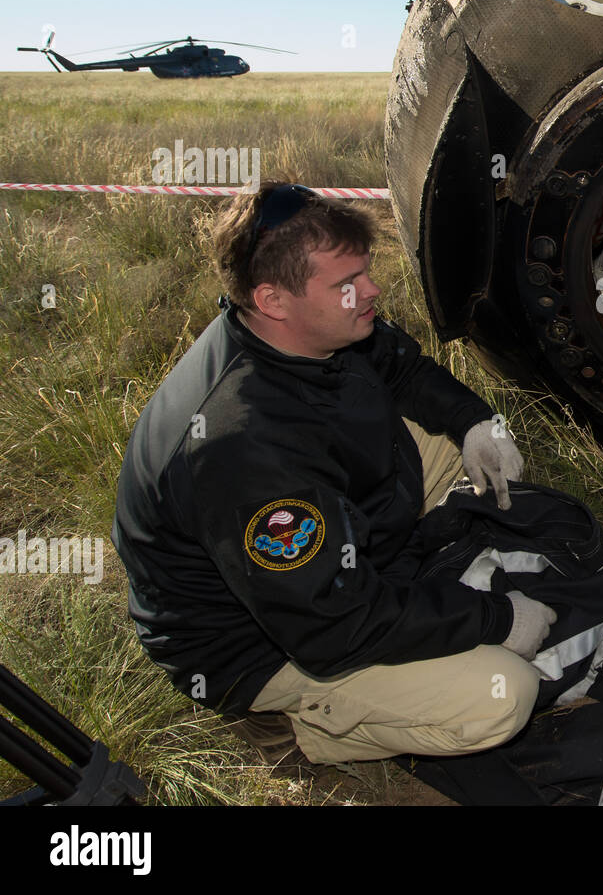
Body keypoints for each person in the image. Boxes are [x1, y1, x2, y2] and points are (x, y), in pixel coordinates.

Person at [112, 182, 556, 766]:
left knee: (447, 447)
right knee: (502, 696)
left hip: (314, 554)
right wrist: (495, 619)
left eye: (365, 273)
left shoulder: (316, 328)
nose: (371, 291)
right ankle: (303, 731)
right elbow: (333, 625)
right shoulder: (239, 447)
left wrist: (474, 421)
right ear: (272, 300)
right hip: (260, 646)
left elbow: (403, 370)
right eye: (347, 285)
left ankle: (398, 574)